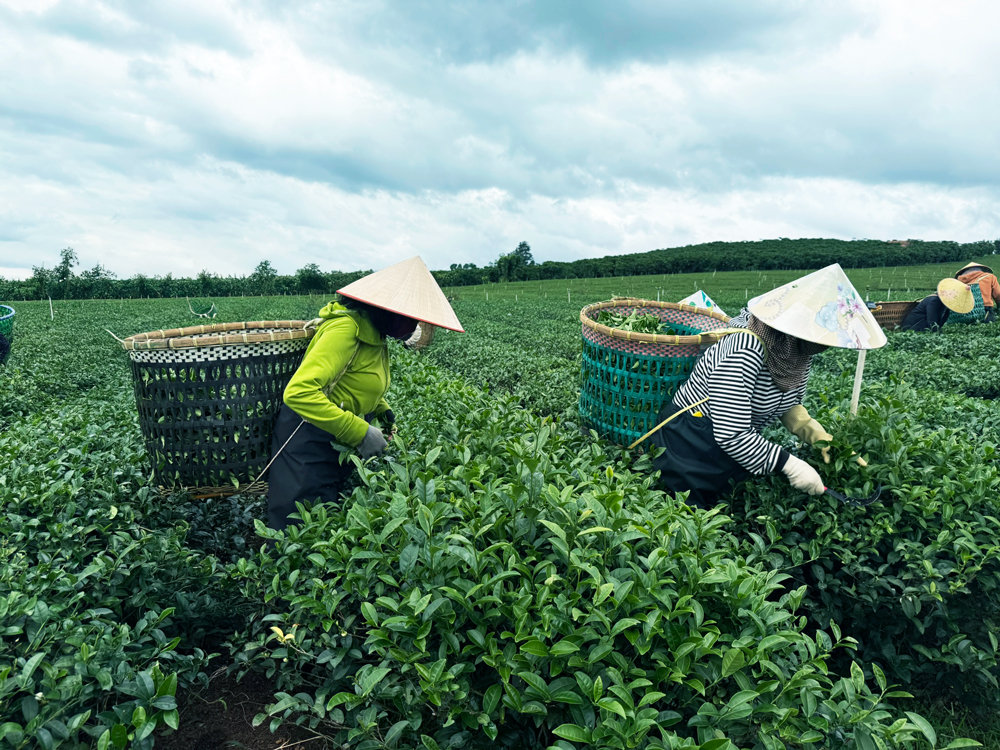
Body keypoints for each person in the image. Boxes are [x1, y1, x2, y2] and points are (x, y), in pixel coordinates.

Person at [651, 264, 886, 508]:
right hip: (691, 440)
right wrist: (791, 465)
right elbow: (731, 433)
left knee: (729, 503)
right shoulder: (744, 348)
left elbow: (788, 404)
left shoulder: (797, 352)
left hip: (731, 442)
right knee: (693, 511)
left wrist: (818, 436)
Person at [267, 256, 464, 530]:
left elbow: (357, 379)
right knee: (299, 531)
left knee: (330, 526)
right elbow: (299, 393)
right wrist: (359, 431)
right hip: (309, 440)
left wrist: (383, 410)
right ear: (387, 308)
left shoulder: (375, 335)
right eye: (409, 315)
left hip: (338, 443)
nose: (413, 323)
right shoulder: (345, 328)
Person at [900, 278, 974, 332]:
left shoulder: (945, 304)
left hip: (922, 328)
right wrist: (937, 333)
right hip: (912, 328)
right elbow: (932, 321)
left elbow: (941, 321)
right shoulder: (934, 301)